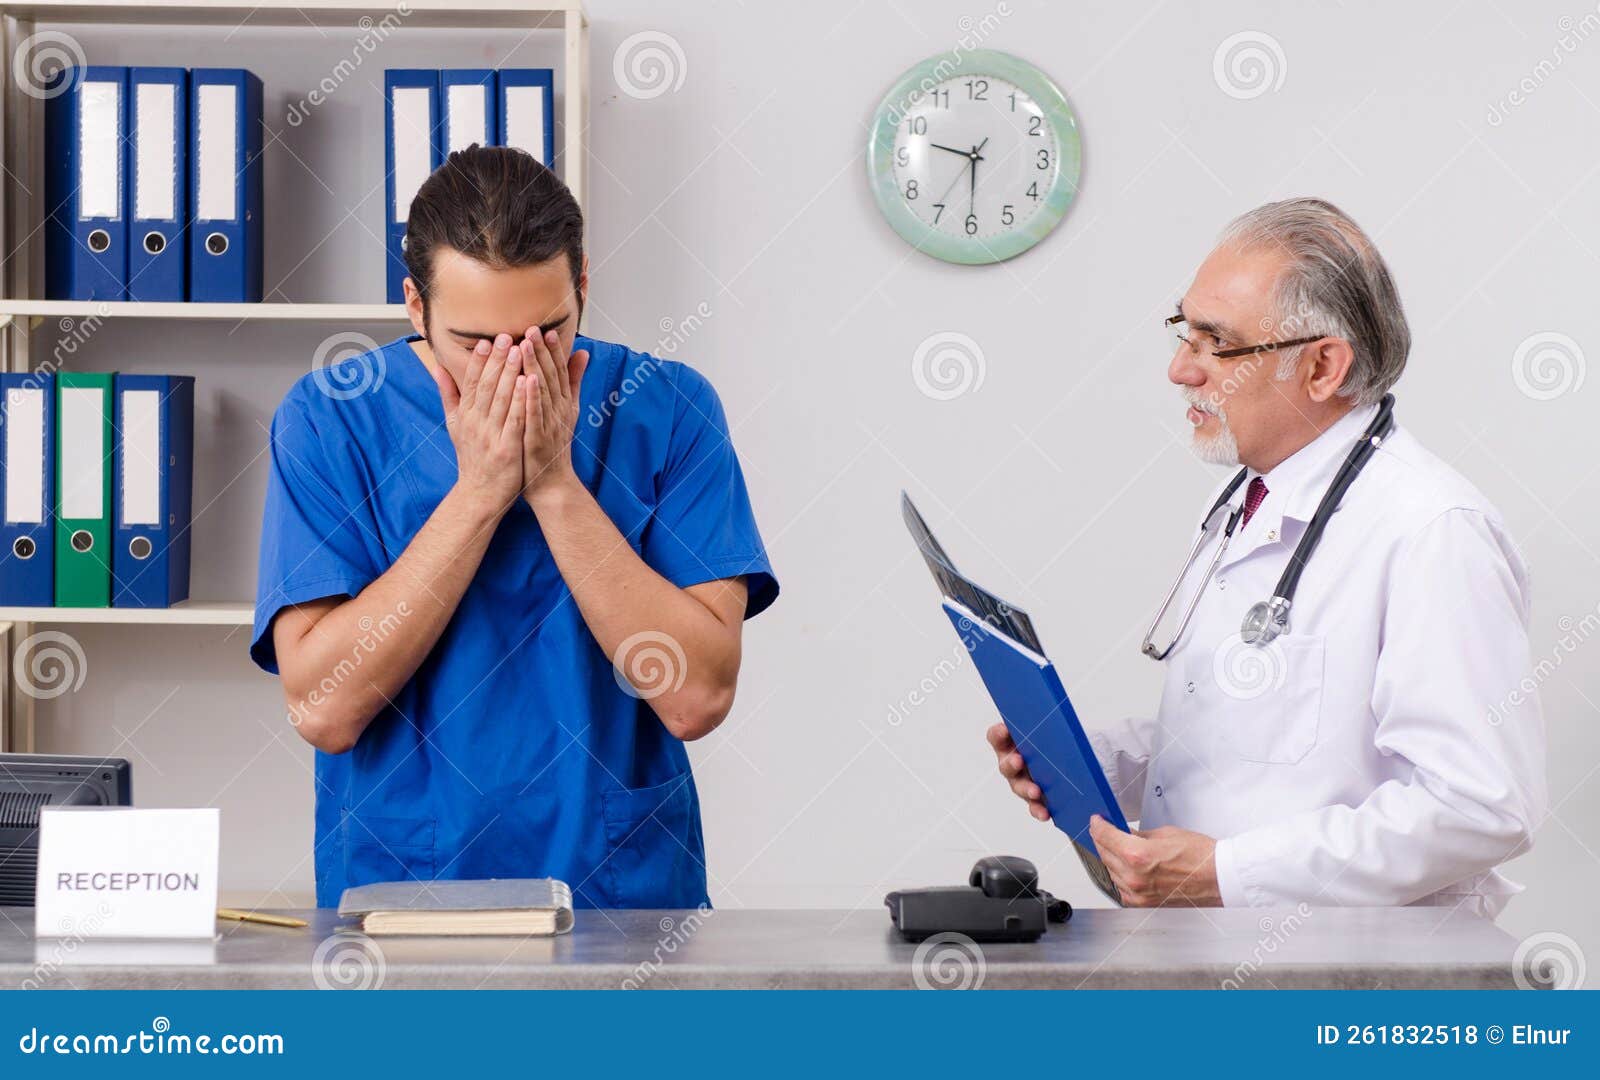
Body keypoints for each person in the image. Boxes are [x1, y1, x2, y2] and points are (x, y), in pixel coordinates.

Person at [251, 145, 777, 909]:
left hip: (621, 892)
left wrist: (555, 486)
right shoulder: (332, 417)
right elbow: (325, 708)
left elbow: (695, 698)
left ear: (584, 286)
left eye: (546, 333)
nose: (517, 371)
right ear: (414, 306)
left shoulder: (669, 410)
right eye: (474, 343)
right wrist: (480, 494)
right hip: (407, 893)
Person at [989, 198, 1545, 915]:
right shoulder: (1243, 502)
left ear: (1320, 367)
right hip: (1213, 970)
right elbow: (1261, 737)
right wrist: (1092, 762)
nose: (1181, 371)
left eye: (1215, 342)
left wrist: (1228, 872)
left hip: (1354, 995)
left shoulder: (1431, 530)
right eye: (1183, 333)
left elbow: (1480, 805)